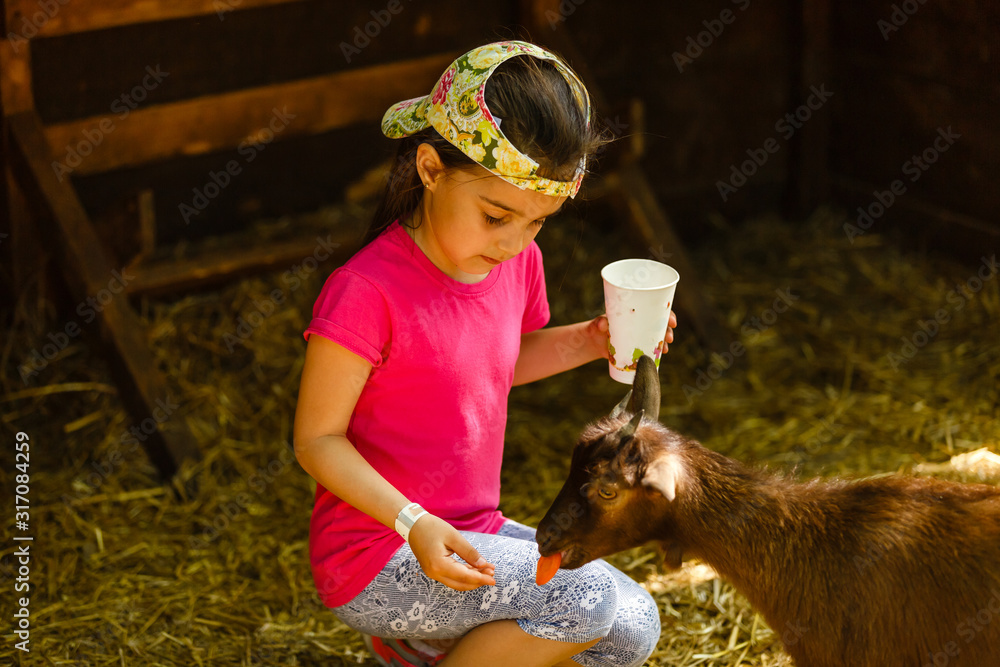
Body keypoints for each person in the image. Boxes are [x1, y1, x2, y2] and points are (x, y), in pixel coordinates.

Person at [293, 40, 675, 667]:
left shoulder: (519, 264)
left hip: (474, 534)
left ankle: (426, 649)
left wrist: (594, 339)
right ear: (431, 169)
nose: (515, 242)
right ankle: (420, 638)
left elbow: (493, 366)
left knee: (634, 625)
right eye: (496, 215)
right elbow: (317, 440)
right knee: (585, 600)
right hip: (380, 550)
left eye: (537, 222)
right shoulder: (365, 291)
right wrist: (413, 521)